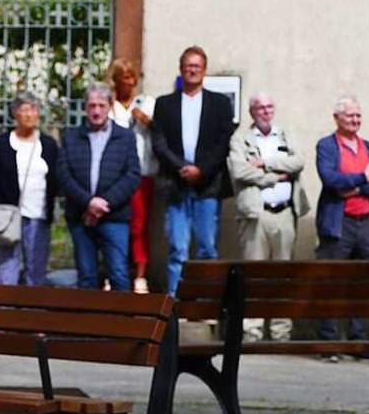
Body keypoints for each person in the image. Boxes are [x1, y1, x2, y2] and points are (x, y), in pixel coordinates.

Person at [151, 45, 236, 295]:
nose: (192, 70)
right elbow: (159, 142)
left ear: (204, 70)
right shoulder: (165, 104)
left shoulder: (220, 104)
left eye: (197, 66)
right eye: (188, 66)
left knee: (207, 248)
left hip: (207, 185)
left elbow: (223, 143)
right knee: (177, 248)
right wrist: (182, 167)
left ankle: (204, 302)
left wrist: (201, 169)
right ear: (180, 69)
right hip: (175, 184)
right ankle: (176, 306)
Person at [227, 93, 310, 342]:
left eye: (269, 106)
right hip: (256, 214)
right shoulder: (240, 138)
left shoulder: (286, 135)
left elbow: (298, 162)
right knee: (253, 276)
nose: (265, 111)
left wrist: (265, 163)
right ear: (251, 112)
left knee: (282, 277)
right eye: (259, 107)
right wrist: (274, 176)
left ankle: (280, 333)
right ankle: (251, 333)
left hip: (285, 213)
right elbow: (239, 170)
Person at [315, 95, 369, 355]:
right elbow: (331, 179)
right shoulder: (326, 146)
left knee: (363, 284)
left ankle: (358, 340)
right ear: (337, 118)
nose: (355, 120)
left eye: (358, 115)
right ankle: (329, 342)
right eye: (350, 116)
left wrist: (356, 185)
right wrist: (363, 178)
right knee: (331, 282)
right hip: (339, 225)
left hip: (367, 224)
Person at [57, 82, 140, 291]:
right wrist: (88, 202)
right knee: (86, 276)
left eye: (101, 105)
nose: (96, 111)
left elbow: (132, 175)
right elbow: (63, 174)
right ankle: (87, 322)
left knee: (118, 273)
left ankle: (122, 323)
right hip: (80, 216)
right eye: (92, 105)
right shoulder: (71, 137)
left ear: (110, 106)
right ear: (85, 108)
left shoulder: (125, 137)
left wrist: (104, 203)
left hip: (114, 216)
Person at [0, 92, 58, 286]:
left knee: (36, 270)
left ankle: (33, 313)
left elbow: (55, 178)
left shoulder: (49, 145)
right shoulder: (0, 144)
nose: (28, 114)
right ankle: (4, 312)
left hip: (39, 215)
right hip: (8, 216)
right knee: (7, 269)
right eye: (23, 109)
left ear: (38, 113)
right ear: (15, 114)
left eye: (33, 109)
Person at [108, 58, 157, 294]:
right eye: (125, 78)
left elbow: (160, 132)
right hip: (114, 175)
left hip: (141, 173)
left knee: (139, 225)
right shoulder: (107, 106)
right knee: (114, 225)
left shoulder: (146, 103)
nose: (130, 82)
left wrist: (147, 121)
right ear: (116, 81)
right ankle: (113, 271)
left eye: (132, 77)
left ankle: (139, 276)